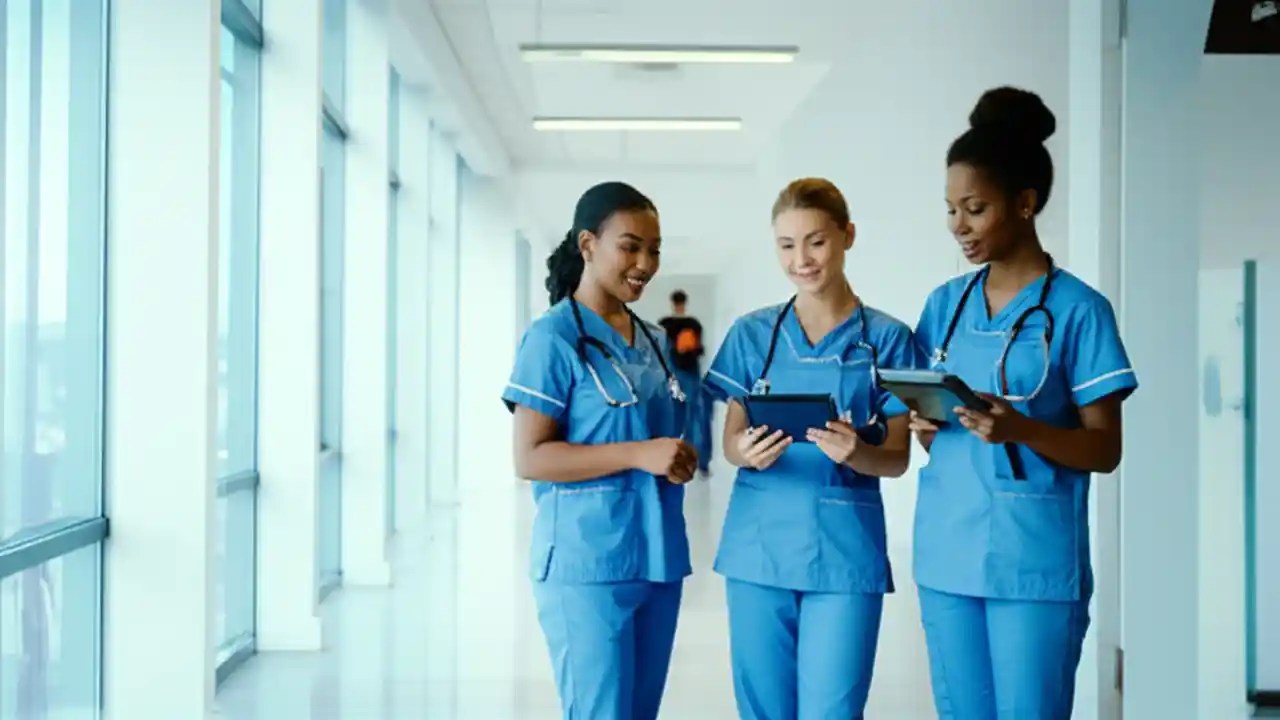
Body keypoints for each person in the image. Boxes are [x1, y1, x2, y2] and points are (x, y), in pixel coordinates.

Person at [910, 87, 1139, 719]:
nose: (959, 225)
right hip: (947, 553)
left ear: (1025, 202)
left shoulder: (1079, 310)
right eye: (952, 209)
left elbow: (1105, 448)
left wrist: (1021, 428)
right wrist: (925, 422)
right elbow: (935, 432)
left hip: (1033, 563)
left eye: (975, 208)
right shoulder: (943, 304)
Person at [702, 178, 920, 719]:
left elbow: (896, 458)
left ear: (847, 236)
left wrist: (855, 453)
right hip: (757, 553)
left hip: (843, 556)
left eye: (816, 241)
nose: (801, 259)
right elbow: (730, 439)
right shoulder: (753, 334)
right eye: (786, 245)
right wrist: (743, 451)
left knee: (833, 711)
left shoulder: (889, 340)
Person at [502, 182, 698, 720]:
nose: (645, 263)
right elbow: (531, 458)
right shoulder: (553, 339)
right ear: (588, 245)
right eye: (630, 246)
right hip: (586, 563)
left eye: (654, 249)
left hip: (656, 556)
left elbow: (659, 439)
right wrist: (639, 453)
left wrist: (676, 458)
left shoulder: (653, 340)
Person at [659, 290, 713, 475]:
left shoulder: (666, 325)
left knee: (683, 417)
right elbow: (698, 350)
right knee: (693, 417)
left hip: (680, 374)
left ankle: (685, 461)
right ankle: (693, 461)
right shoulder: (691, 324)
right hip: (684, 373)